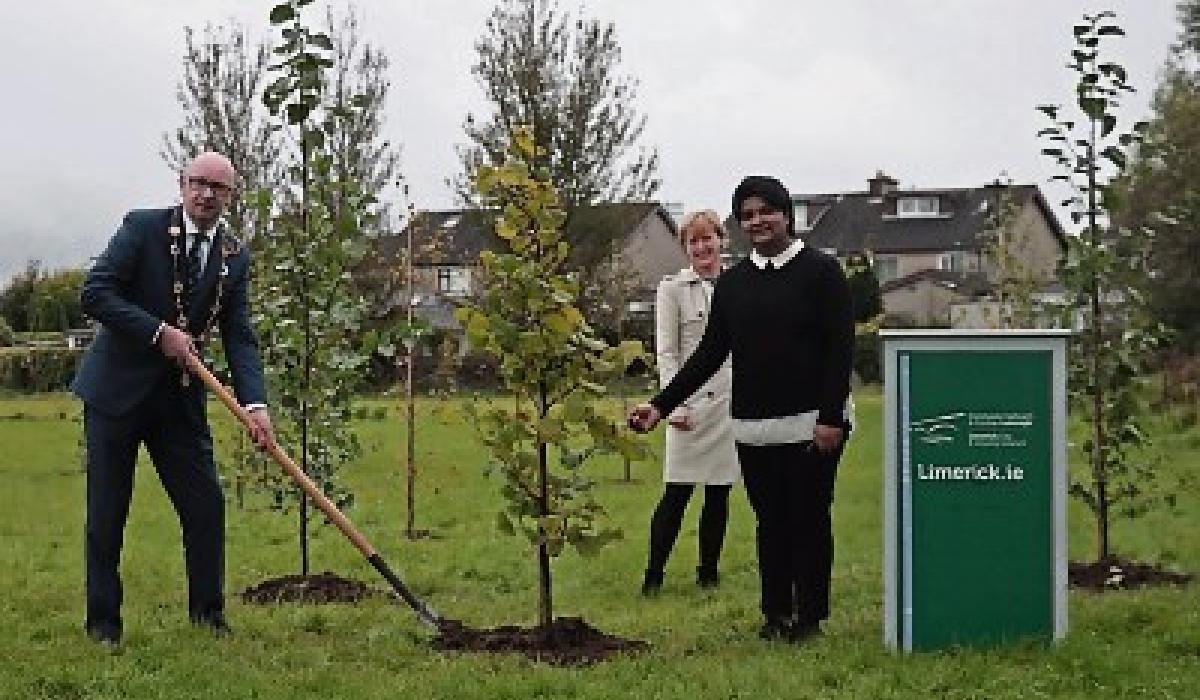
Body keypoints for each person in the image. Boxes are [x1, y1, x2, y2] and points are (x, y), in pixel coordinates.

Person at [629, 175, 854, 643]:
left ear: (786, 215)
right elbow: (709, 354)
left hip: (813, 425)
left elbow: (840, 348)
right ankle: (775, 613)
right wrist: (660, 405)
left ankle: (810, 617)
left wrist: (831, 417)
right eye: (747, 215)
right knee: (770, 523)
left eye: (766, 211)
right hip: (754, 429)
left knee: (809, 521)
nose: (757, 221)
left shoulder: (821, 272)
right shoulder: (733, 284)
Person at [72, 151, 275, 646]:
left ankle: (208, 617)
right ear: (181, 185)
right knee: (107, 514)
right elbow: (95, 293)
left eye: (217, 187)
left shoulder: (234, 255)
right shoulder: (142, 229)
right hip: (116, 394)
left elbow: (239, 334)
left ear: (231, 196)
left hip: (179, 401)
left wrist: (255, 404)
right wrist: (158, 332)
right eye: (197, 183)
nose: (205, 194)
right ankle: (104, 625)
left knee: (205, 507)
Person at [642, 210, 739, 596]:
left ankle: (708, 573)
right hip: (689, 404)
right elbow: (666, 353)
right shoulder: (672, 289)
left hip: (729, 405)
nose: (701, 247)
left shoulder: (737, 284)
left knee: (719, 492)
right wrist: (673, 405)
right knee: (677, 493)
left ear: (721, 241)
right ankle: (653, 576)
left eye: (707, 239)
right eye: (692, 241)